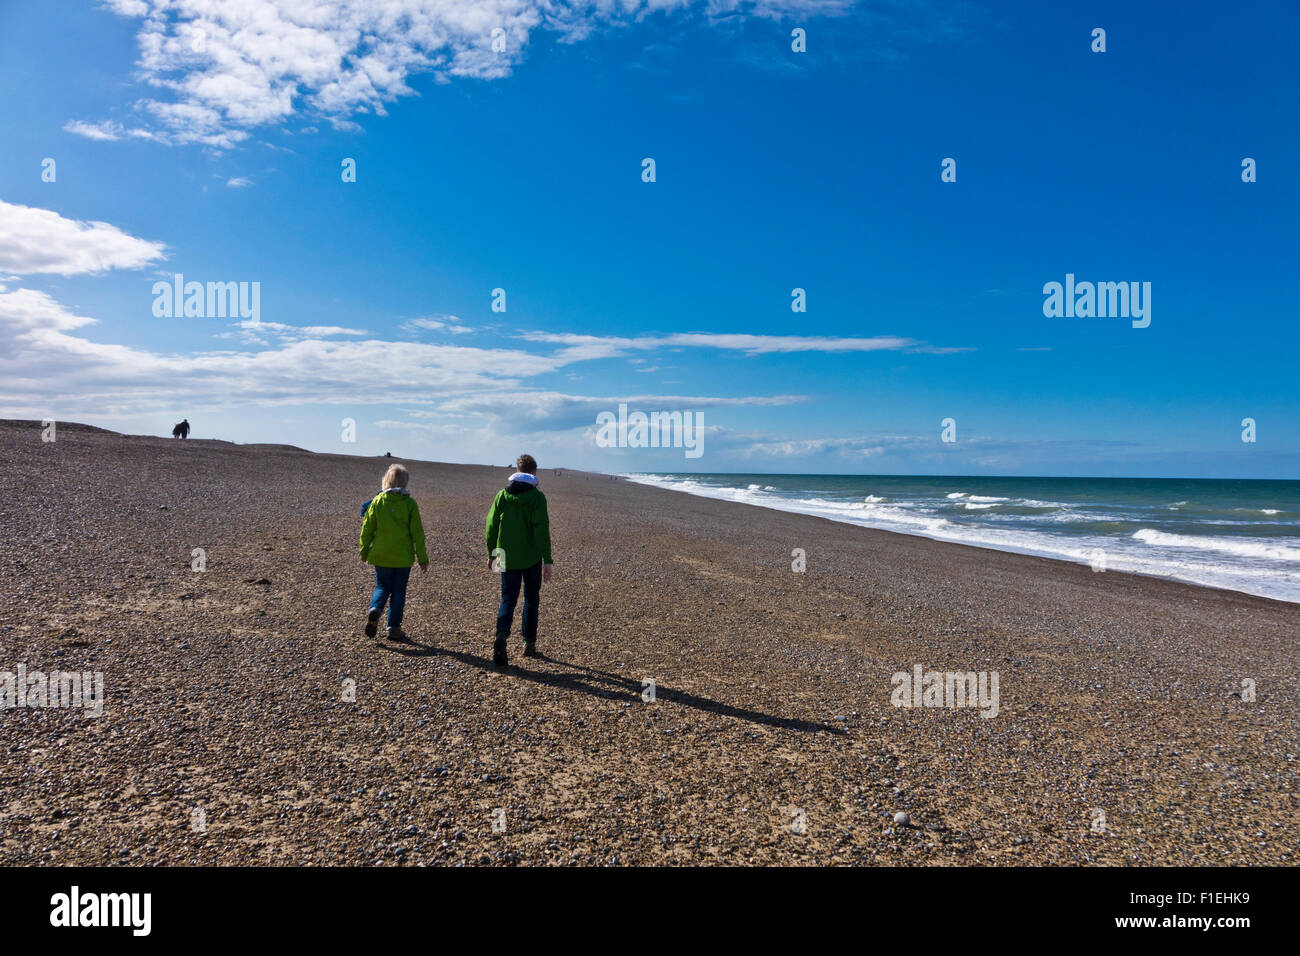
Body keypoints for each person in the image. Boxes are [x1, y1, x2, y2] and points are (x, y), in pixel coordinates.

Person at [485, 454, 553, 667]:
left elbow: (490, 527)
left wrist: (492, 554)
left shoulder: (502, 496)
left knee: (508, 598)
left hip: (505, 555)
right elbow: (541, 530)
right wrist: (547, 560)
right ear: (533, 472)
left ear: (518, 469)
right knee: (531, 599)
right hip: (531, 557)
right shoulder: (537, 498)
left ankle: (501, 636)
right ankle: (529, 644)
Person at [359, 463, 428, 642]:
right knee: (398, 591)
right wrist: (422, 558)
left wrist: (364, 550)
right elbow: (417, 533)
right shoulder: (410, 504)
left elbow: (367, 528)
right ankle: (394, 627)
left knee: (382, 586)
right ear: (405, 482)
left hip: (381, 555)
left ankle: (375, 609)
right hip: (403, 558)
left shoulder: (377, 501)